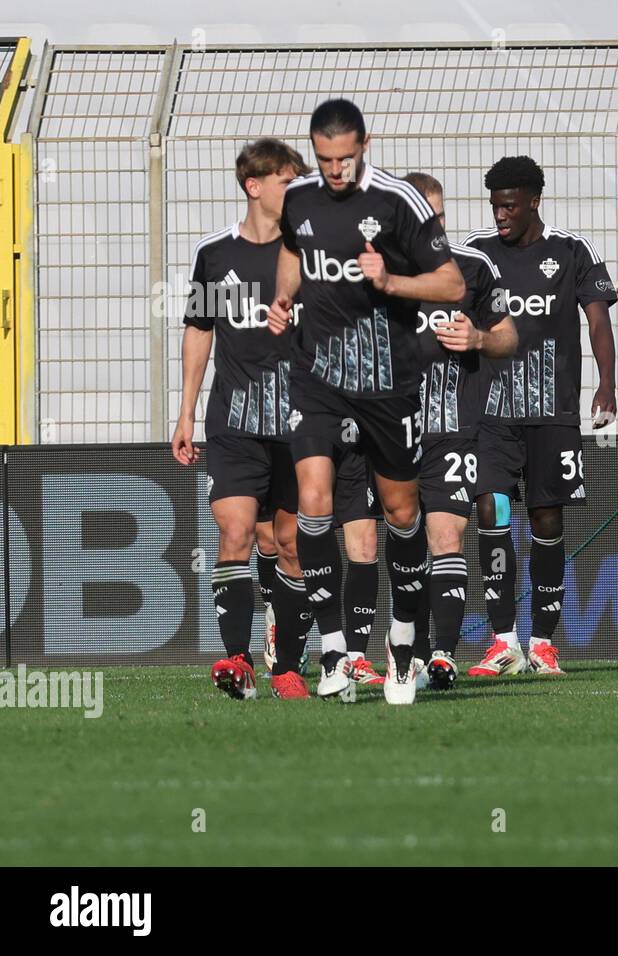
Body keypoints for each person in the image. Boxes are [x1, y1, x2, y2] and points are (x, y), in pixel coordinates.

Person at [267, 98, 465, 705]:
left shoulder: (399, 202)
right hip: (318, 376)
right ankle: (334, 652)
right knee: (313, 500)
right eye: (325, 159)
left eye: (345, 159)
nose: (335, 170)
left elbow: (451, 283)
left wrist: (390, 281)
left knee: (402, 514)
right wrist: (284, 298)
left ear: (365, 146)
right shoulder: (298, 198)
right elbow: (292, 252)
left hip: (386, 381)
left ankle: (402, 646)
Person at [461, 155, 618, 678]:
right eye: (495, 206)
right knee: (493, 512)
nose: (500, 214)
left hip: (554, 412)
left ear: (533, 201)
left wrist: (607, 385)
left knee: (547, 519)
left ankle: (544, 643)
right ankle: (503, 641)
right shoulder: (477, 254)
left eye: (509, 205)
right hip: (492, 414)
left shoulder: (572, 251)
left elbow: (597, 321)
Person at [172, 137, 314, 700]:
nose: (296, 189)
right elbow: (199, 331)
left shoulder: (312, 252)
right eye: (287, 180)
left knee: (290, 544)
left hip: (299, 424)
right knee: (234, 532)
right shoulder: (215, 254)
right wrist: (185, 413)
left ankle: (288, 666)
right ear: (254, 186)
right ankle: (237, 660)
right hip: (233, 423)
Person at [402, 172, 517, 690]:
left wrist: (478, 338)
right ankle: (410, 654)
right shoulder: (376, 276)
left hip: (453, 431)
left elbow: (508, 338)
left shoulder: (473, 268)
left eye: (440, 218)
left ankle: (443, 656)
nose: (435, 229)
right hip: (394, 435)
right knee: (404, 544)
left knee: (447, 537)